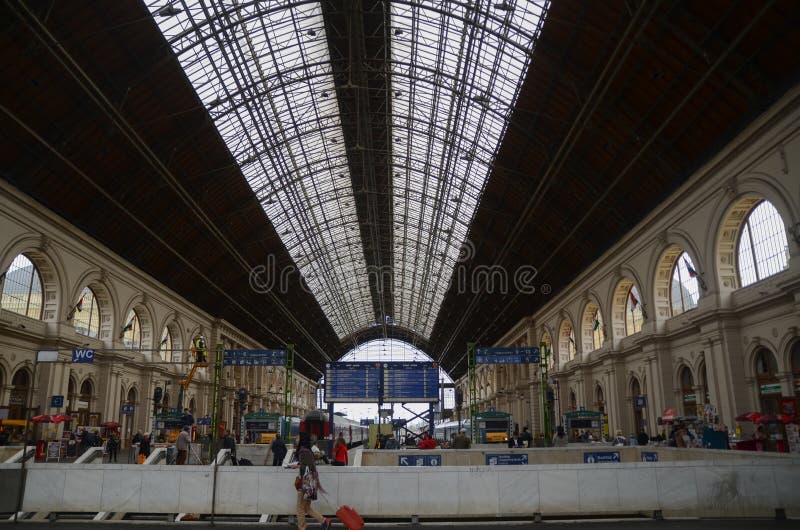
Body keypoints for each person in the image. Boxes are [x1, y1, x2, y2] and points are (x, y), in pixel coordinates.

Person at [293, 434, 332, 530]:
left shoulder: (303, 451)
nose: (296, 440)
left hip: (305, 484)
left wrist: (298, 466)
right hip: (310, 483)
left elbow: (308, 467)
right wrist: (300, 465)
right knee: (306, 508)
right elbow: (309, 465)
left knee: (300, 508)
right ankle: (324, 521)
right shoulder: (307, 450)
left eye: (298, 438)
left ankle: (302, 527)